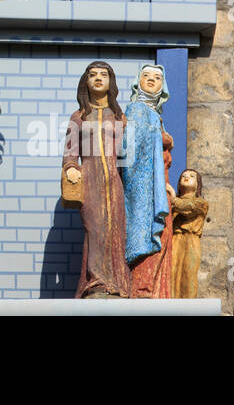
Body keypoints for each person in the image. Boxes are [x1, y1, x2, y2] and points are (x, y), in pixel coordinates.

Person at [62, 61, 131, 298]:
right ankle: (97, 281)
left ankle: (117, 282)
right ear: (86, 82)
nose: (98, 78)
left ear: (111, 82)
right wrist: (71, 167)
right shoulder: (79, 116)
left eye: (104, 75)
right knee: (95, 227)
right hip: (90, 175)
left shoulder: (121, 117)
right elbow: (70, 152)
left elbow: (129, 154)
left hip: (115, 177)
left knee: (116, 228)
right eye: (93, 75)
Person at [120, 63, 173, 298]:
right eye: (146, 76)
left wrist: (165, 184)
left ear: (163, 86)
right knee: (146, 233)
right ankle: (141, 288)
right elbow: (128, 151)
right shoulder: (135, 110)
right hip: (142, 186)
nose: (152, 80)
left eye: (157, 77)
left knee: (162, 232)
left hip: (157, 186)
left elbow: (160, 159)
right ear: (137, 81)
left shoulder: (156, 117)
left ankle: (155, 290)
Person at [170, 168, 209, 298]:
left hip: (191, 239)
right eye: (183, 176)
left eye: (192, 176)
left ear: (198, 184)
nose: (187, 177)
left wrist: (173, 198)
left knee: (189, 272)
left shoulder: (201, 203)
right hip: (175, 238)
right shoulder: (173, 204)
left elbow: (188, 208)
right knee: (172, 271)